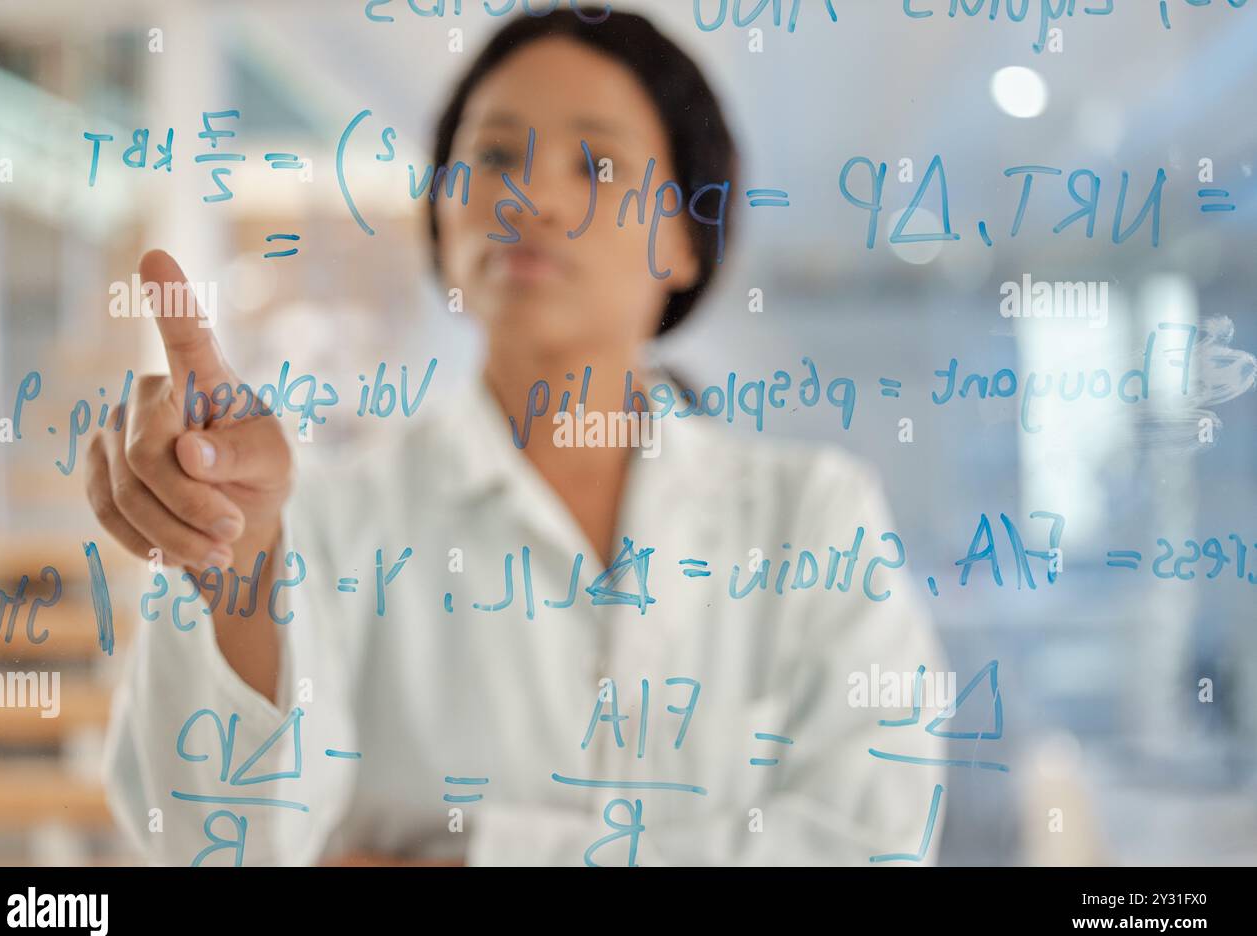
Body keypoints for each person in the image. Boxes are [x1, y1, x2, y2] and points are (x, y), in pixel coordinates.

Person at [93, 8, 947, 867]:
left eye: (597, 164)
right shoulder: (315, 524)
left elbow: (871, 844)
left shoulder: (815, 517)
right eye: (495, 155)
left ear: (686, 236)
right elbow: (214, 845)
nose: (532, 197)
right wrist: (235, 570)